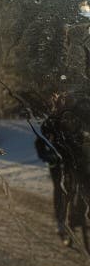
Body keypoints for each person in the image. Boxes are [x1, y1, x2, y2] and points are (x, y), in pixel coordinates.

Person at [36, 92, 90, 250]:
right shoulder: (49, 123)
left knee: (86, 183)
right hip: (59, 163)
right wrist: (49, 156)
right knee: (61, 190)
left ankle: (80, 213)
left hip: (78, 160)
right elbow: (41, 145)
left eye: (67, 102)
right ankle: (62, 221)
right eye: (60, 102)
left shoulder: (79, 118)